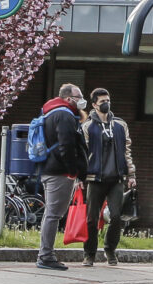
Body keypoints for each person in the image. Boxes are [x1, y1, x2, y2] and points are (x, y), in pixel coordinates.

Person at [34, 82, 89, 272]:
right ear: (68, 98)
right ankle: (46, 256)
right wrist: (73, 171)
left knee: (51, 213)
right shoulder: (64, 115)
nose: (82, 101)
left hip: (50, 169)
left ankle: (45, 254)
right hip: (60, 172)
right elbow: (67, 146)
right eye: (79, 97)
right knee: (53, 214)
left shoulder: (51, 112)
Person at [82, 88, 139, 267]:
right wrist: (79, 177)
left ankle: (110, 249)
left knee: (116, 216)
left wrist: (131, 174)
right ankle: (89, 254)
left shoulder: (120, 125)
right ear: (94, 105)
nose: (106, 104)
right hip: (95, 178)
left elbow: (127, 151)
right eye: (102, 102)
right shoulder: (88, 127)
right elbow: (83, 154)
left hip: (116, 178)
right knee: (91, 219)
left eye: (108, 100)